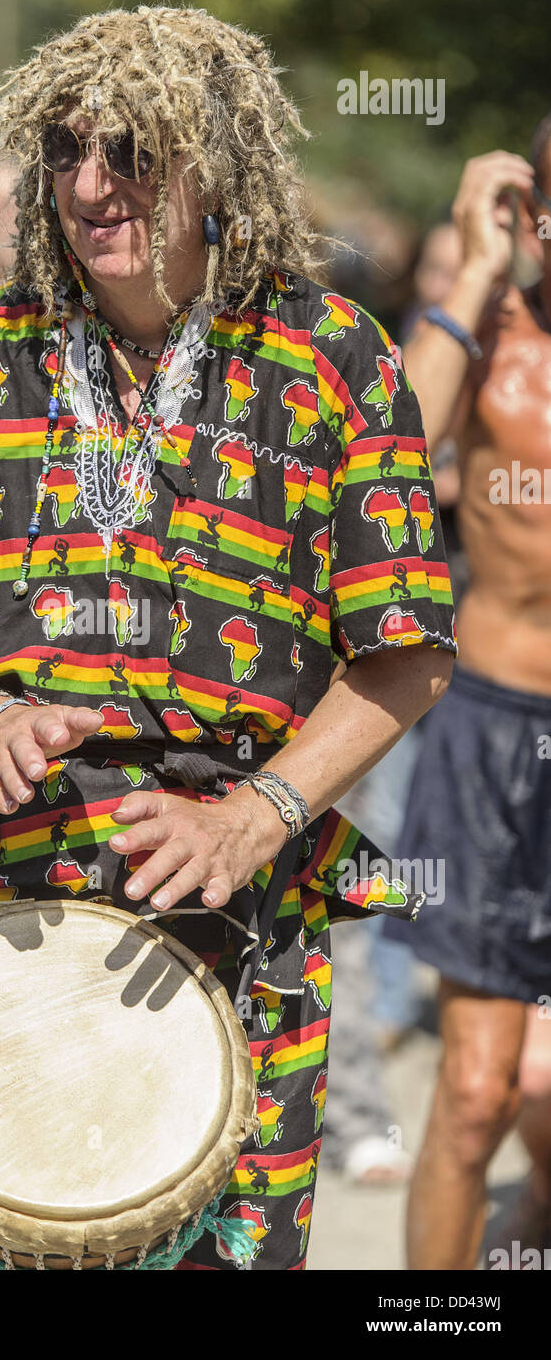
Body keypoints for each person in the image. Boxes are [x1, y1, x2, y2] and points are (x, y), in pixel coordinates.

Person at [0, 5, 456, 1270]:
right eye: (64, 151)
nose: (90, 186)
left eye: (130, 151)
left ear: (214, 160)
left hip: (231, 914)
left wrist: (257, 812)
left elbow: (408, 652)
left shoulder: (332, 360)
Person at [384, 131, 551, 1269]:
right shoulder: (489, 335)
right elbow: (387, 444)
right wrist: (474, 268)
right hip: (493, 724)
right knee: (475, 1090)